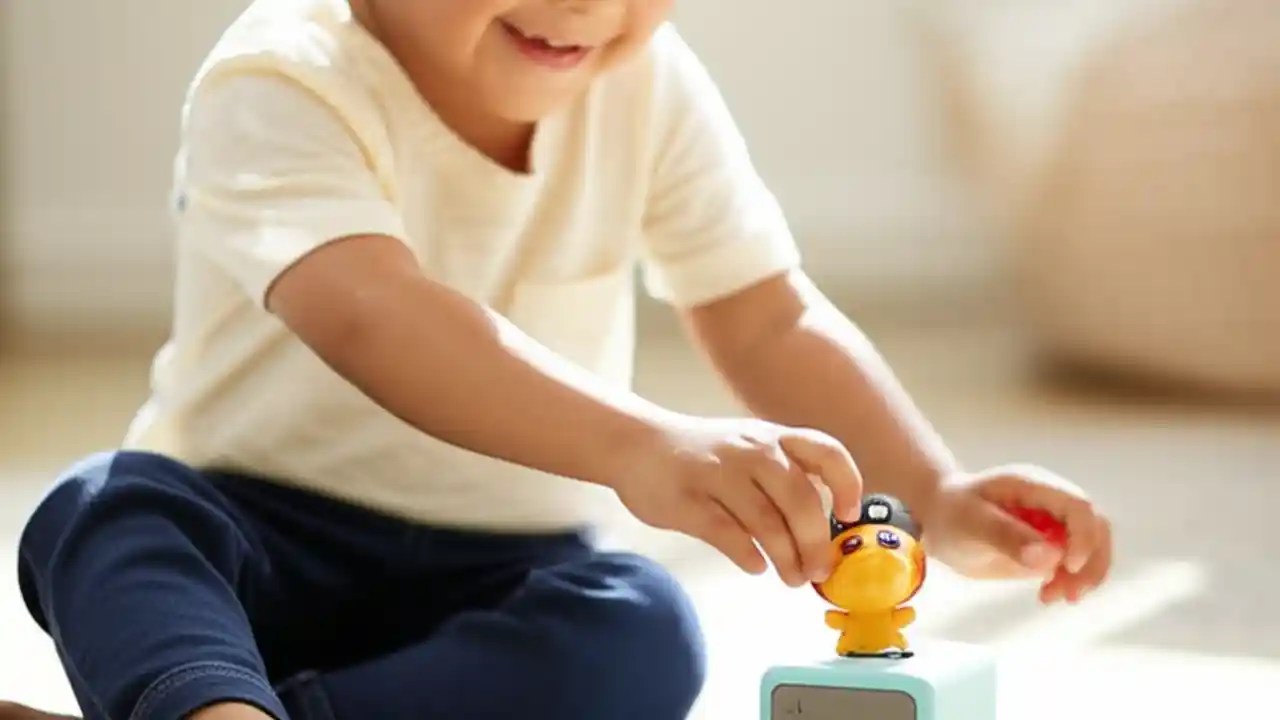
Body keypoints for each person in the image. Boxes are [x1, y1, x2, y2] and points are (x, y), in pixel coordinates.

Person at [5, 0, 1113, 718]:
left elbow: (766, 316)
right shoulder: (282, 75)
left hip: (496, 571)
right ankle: (207, 690)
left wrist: (929, 492)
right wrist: (637, 443)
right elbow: (375, 315)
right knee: (109, 513)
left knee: (639, 627)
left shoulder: (650, 85)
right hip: (253, 534)